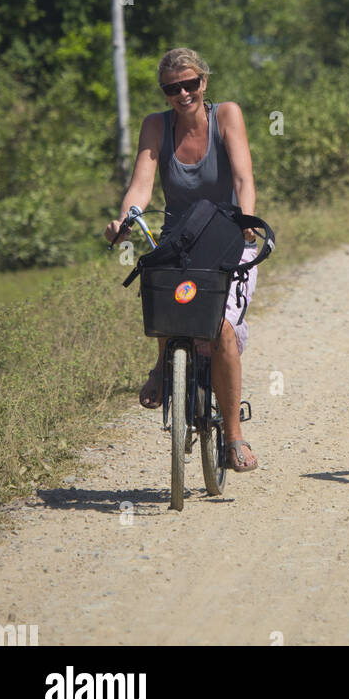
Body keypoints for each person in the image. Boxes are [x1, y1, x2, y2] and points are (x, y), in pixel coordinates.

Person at [105, 47, 261, 473]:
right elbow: (141, 185)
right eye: (172, 88)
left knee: (222, 328)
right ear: (165, 92)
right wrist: (124, 221)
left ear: (203, 83)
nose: (183, 93)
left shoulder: (227, 115)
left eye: (190, 84)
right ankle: (162, 364)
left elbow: (244, 177)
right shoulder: (157, 125)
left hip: (230, 235)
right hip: (180, 238)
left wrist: (246, 219)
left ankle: (233, 438)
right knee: (158, 278)